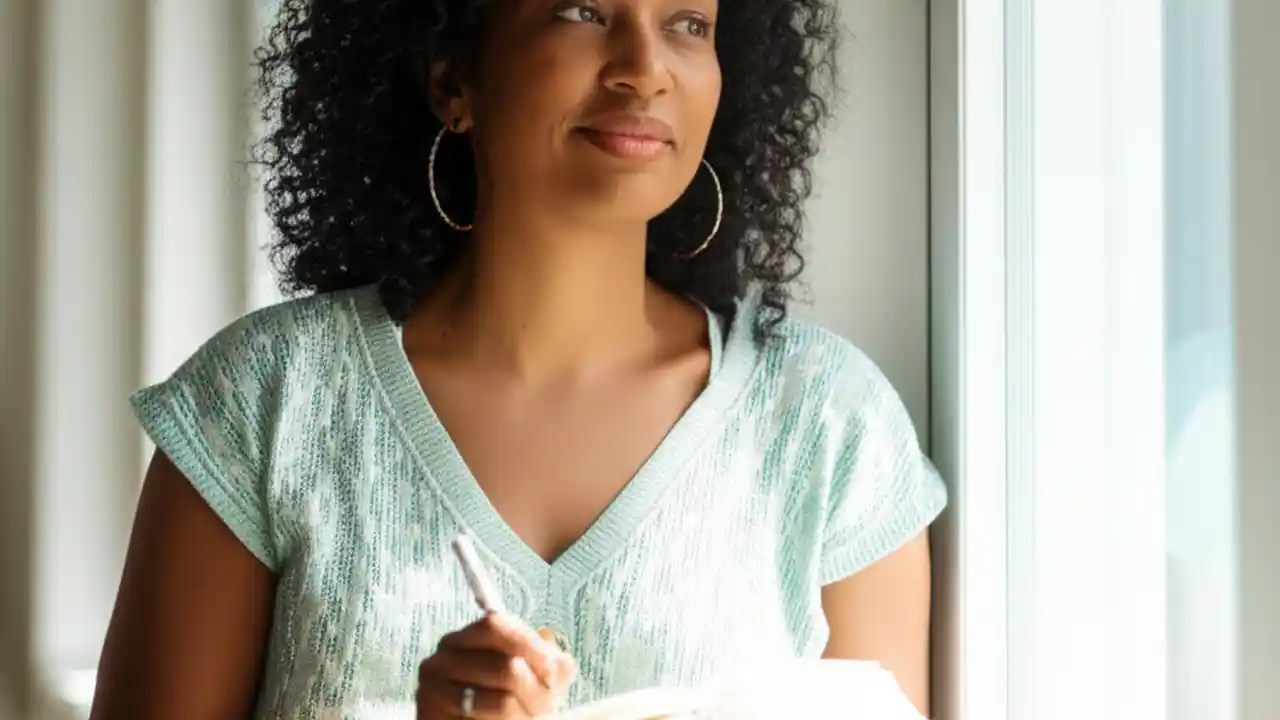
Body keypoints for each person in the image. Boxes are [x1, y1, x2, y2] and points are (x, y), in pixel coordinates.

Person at [90, 0, 947, 717]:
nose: (645, 68)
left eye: (688, 22)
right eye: (582, 11)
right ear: (452, 77)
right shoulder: (263, 404)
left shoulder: (829, 424)